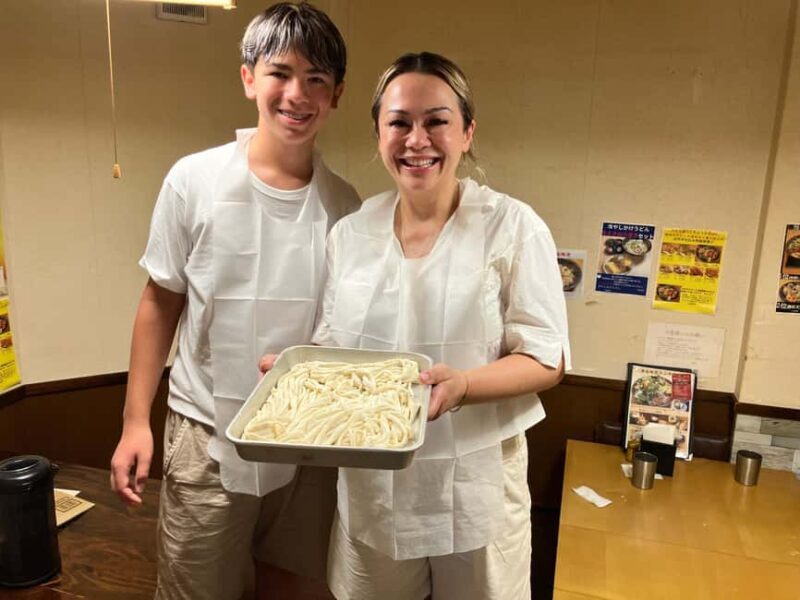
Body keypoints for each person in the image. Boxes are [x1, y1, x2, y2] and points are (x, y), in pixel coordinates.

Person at [109, 3, 359, 599]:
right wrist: (134, 421)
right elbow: (160, 301)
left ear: (337, 94)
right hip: (205, 431)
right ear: (249, 77)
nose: (297, 94)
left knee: (294, 583)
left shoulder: (345, 207)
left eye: (316, 79)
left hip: (306, 439)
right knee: (197, 587)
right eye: (280, 73)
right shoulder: (193, 181)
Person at [312, 52, 571, 599]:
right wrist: (298, 379)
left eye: (437, 121)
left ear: (467, 132)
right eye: (399, 122)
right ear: (379, 133)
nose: (416, 139)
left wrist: (465, 386)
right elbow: (333, 348)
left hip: (475, 488)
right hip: (373, 491)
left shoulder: (512, 227)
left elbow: (546, 357)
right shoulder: (352, 234)